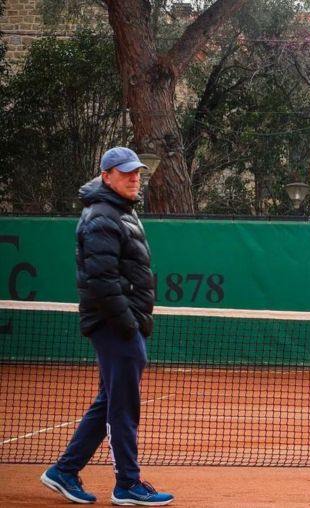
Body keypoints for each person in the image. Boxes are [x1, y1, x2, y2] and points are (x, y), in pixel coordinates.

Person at [40, 147, 174, 506]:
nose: (135, 178)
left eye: (137, 172)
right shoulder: (102, 216)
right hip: (114, 325)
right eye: (126, 172)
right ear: (106, 176)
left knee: (110, 402)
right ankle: (127, 484)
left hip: (122, 323)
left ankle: (64, 471)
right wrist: (128, 325)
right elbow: (102, 280)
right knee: (124, 407)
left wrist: (136, 321)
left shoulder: (121, 212)